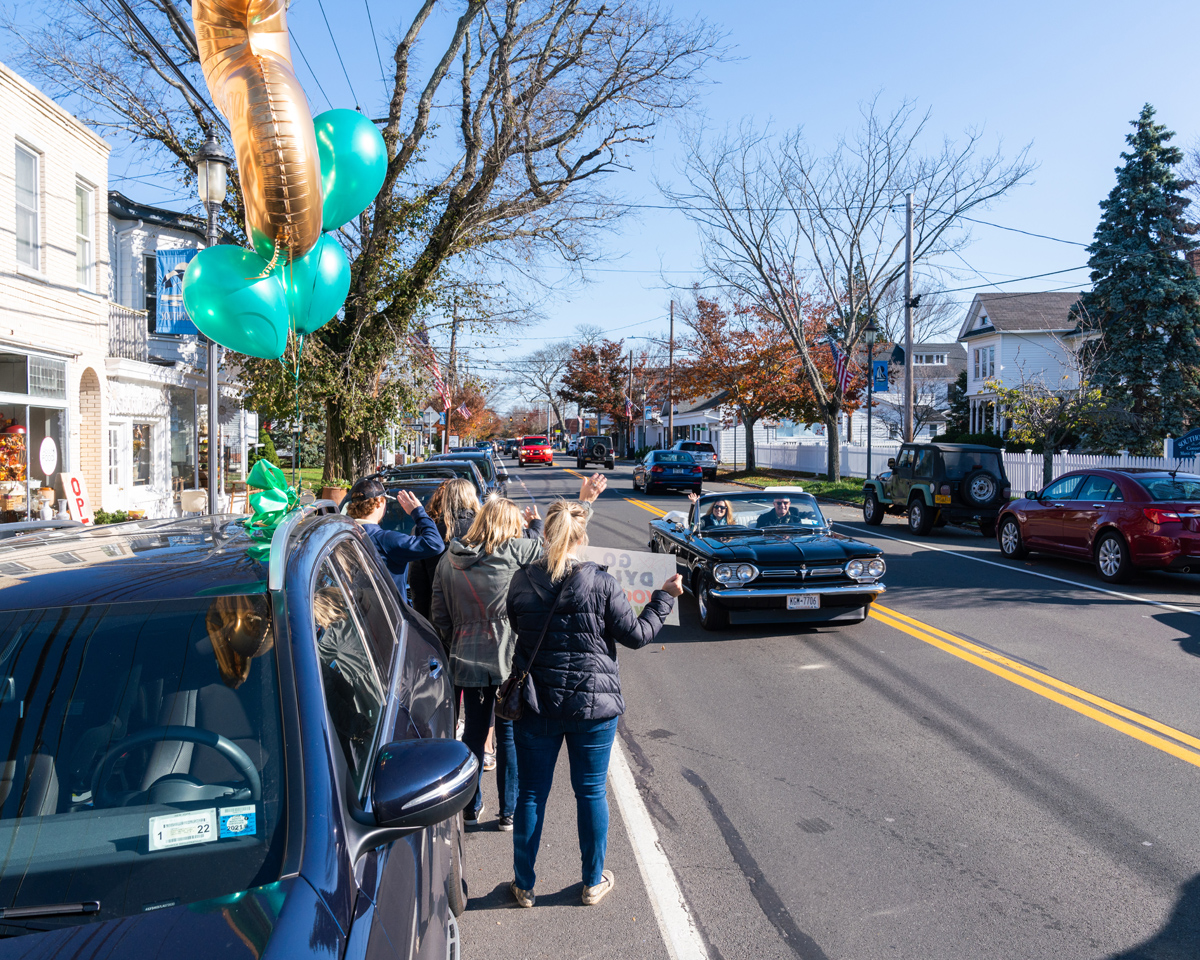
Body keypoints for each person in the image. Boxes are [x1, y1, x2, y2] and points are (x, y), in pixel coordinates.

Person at [505, 498, 684, 908]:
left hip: (536, 701)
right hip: (593, 705)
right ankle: (591, 881)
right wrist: (664, 598)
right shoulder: (601, 583)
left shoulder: (521, 580)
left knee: (531, 794)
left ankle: (524, 884)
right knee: (589, 792)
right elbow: (636, 635)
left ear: (546, 534)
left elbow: (517, 626)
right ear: (582, 539)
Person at [430, 474, 606, 829]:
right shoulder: (516, 552)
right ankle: (508, 811)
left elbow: (440, 616)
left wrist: (456, 644)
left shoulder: (448, 561)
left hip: (466, 659)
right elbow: (561, 541)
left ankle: (469, 804)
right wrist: (584, 502)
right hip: (509, 659)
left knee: (473, 737)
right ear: (509, 526)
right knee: (508, 736)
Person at [345, 477, 444, 592]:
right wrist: (418, 512)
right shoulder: (386, 540)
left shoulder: (344, 537)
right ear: (379, 502)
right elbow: (435, 544)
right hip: (387, 609)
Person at [409, 478, 482, 619]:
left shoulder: (432, 534)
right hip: (480, 615)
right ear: (473, 498)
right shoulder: (485, 531)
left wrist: (424, 620)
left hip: (441, 613)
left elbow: (418, 583)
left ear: (445, 499)